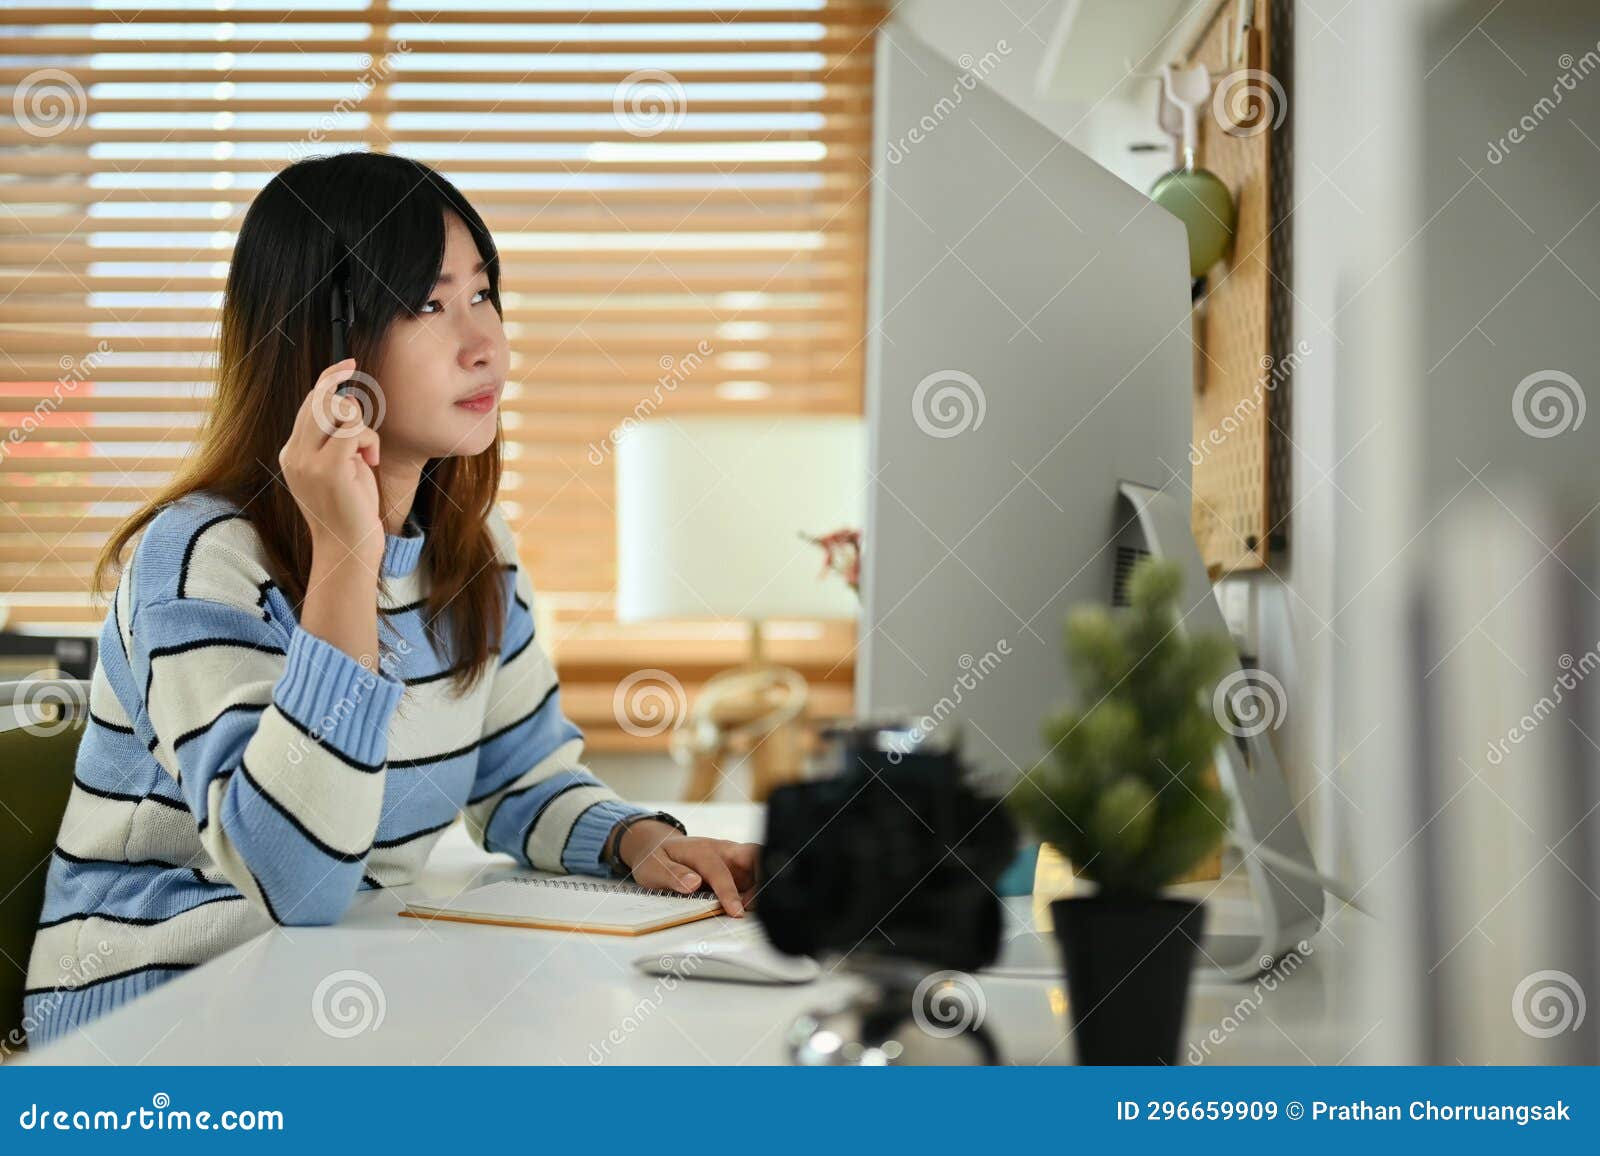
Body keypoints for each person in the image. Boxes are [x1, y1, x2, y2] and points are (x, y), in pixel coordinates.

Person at [23, 152, 758, 1046]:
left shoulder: (473, 552)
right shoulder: (201, 559)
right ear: (324, 347)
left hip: (338, 988)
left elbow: (519, 775)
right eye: (426, 305)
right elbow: (292, 881)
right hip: (153, 1021)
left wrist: (637, 840)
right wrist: (344, 558)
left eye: (483, 294)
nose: (483, 341)